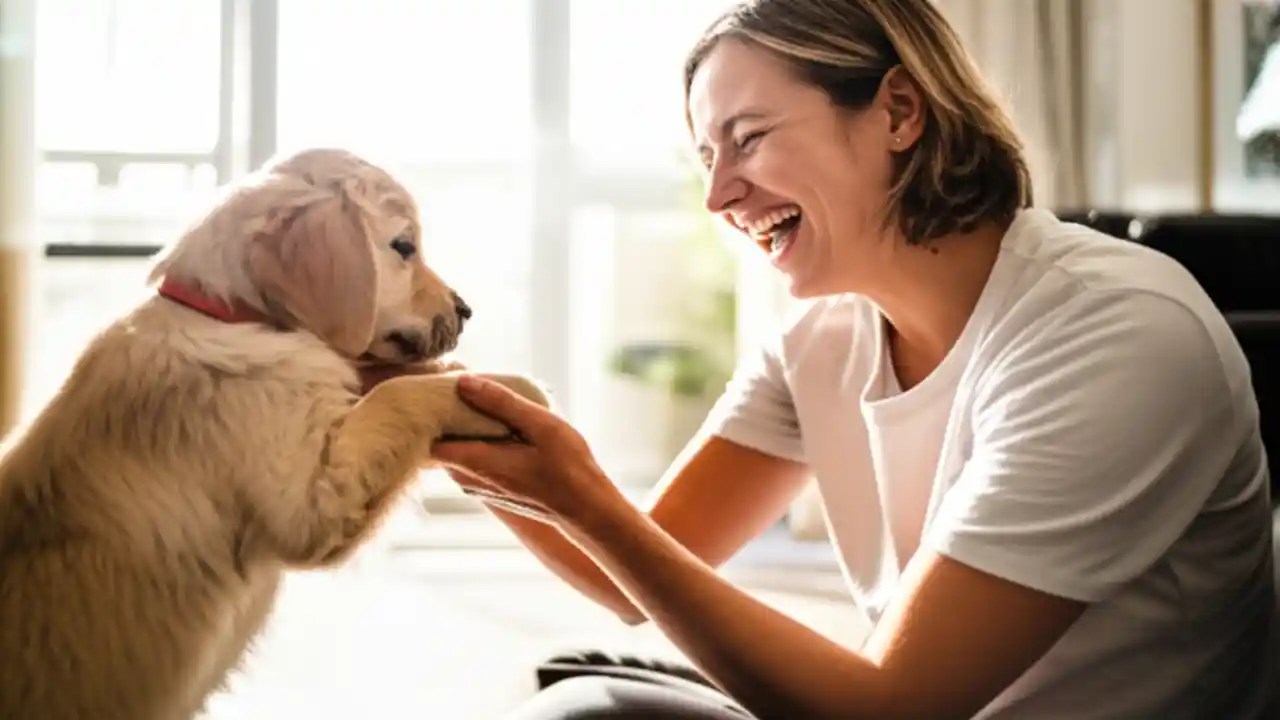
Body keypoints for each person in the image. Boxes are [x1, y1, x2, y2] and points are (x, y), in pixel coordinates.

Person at [429, 0, 1277, 717]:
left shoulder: (1113, 333)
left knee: (585, 717)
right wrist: (432, 406)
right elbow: (619, 574)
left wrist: (584, 495)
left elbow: (891, 709)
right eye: (706, 157)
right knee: (575, 682)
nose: (719, 195)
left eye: (749, 138)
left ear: (900, 113)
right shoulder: (821, 340)